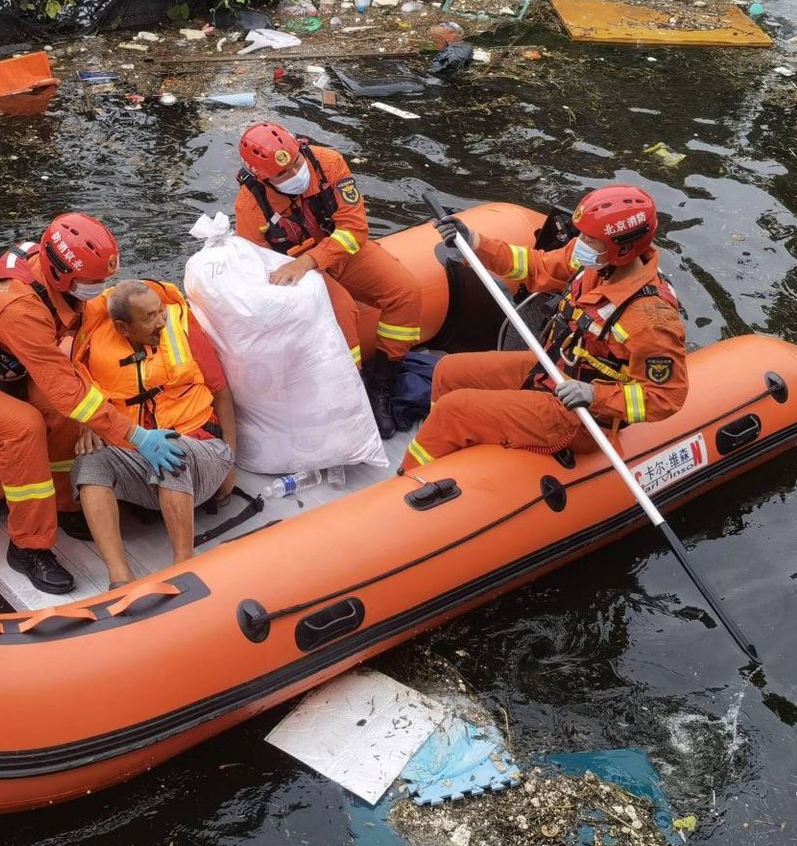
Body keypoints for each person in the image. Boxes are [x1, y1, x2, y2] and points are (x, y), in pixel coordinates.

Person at [0, 214, 187, 594]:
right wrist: (136, 437)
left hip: (5, 369)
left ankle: (66, 507)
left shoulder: (57, 273)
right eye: (91, 283)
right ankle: (28, 546)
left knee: (64, 412)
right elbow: (66, 389)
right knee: (22, 426)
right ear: (62, 274)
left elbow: (69, 367)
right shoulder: (17, 306)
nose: (98, 289)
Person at [400, 185, 688, 471]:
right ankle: (448, 450)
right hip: (554, 370)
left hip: (580, 414)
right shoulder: (597, 259)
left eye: (590, 238)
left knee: (455, 410)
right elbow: (537, 267)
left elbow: (665, 397)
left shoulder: (651, 320)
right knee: (448, 371)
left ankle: (410, 482)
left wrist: (593, 395)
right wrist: (475, 241)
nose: (580, 242)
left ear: (623, 249)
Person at [231, 122, 422, 438]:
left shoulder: (328, 163)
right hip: (299, 270)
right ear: (262, 178)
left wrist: (312, 259)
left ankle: (383, 383)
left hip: (337, 251)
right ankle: (353, 390)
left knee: (406, 292)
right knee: (343, 313)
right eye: (284, 174)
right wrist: (304, 266)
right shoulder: (250, 207)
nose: (295, 174)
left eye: (296, 163)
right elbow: (260, 264)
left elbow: (355, 228)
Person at [69, 280, 237, 586]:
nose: (161, 320)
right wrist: (86, 426)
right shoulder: (97, 346)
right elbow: (81, 393)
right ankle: (120, 577)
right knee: (89, 461)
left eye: (160, 311)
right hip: (142, 460)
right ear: (123, 327)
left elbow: (222, 392)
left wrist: (231, 460)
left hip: (201, 449)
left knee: (168, 449)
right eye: (149, 317)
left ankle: (183, 566)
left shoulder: (184, 332)